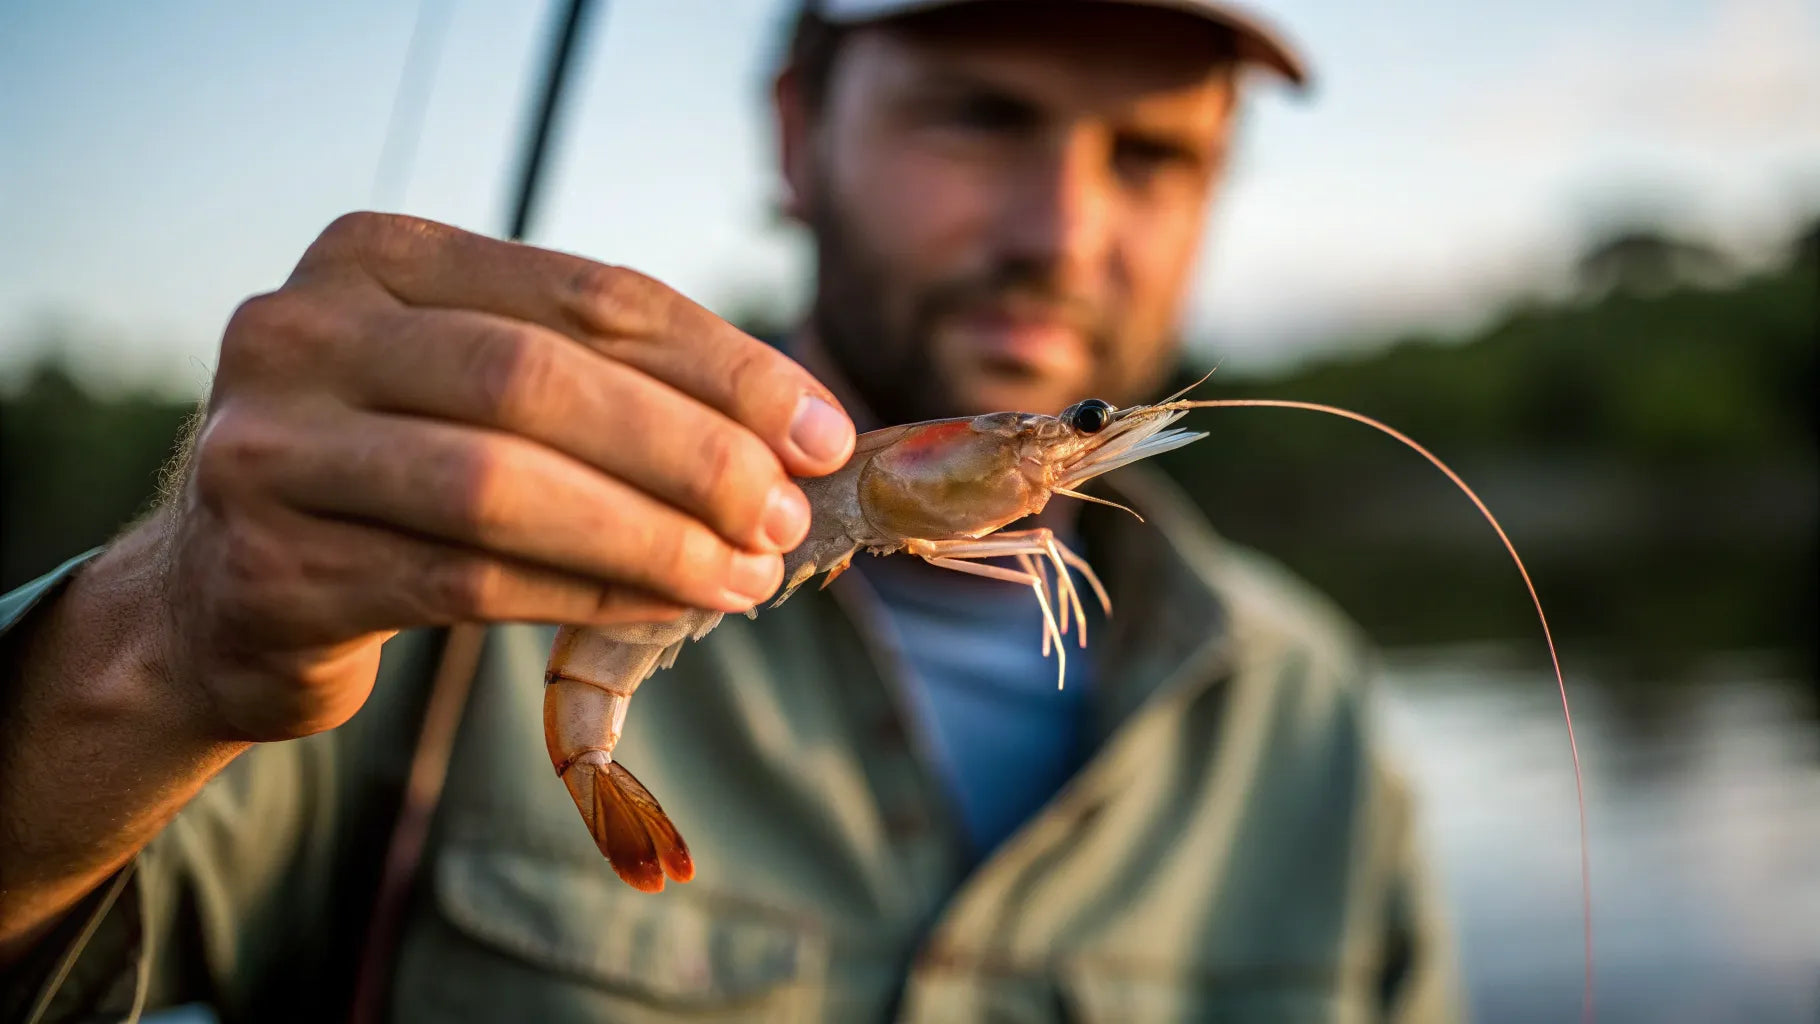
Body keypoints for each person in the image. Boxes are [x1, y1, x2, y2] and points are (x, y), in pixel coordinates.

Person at [0, 1, 1464, 1020]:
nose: (1061, 232)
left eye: (1151, 156)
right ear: (794, 129)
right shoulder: (434, 598)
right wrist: (158, 651)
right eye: (979, 115)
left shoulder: (1318, 724)